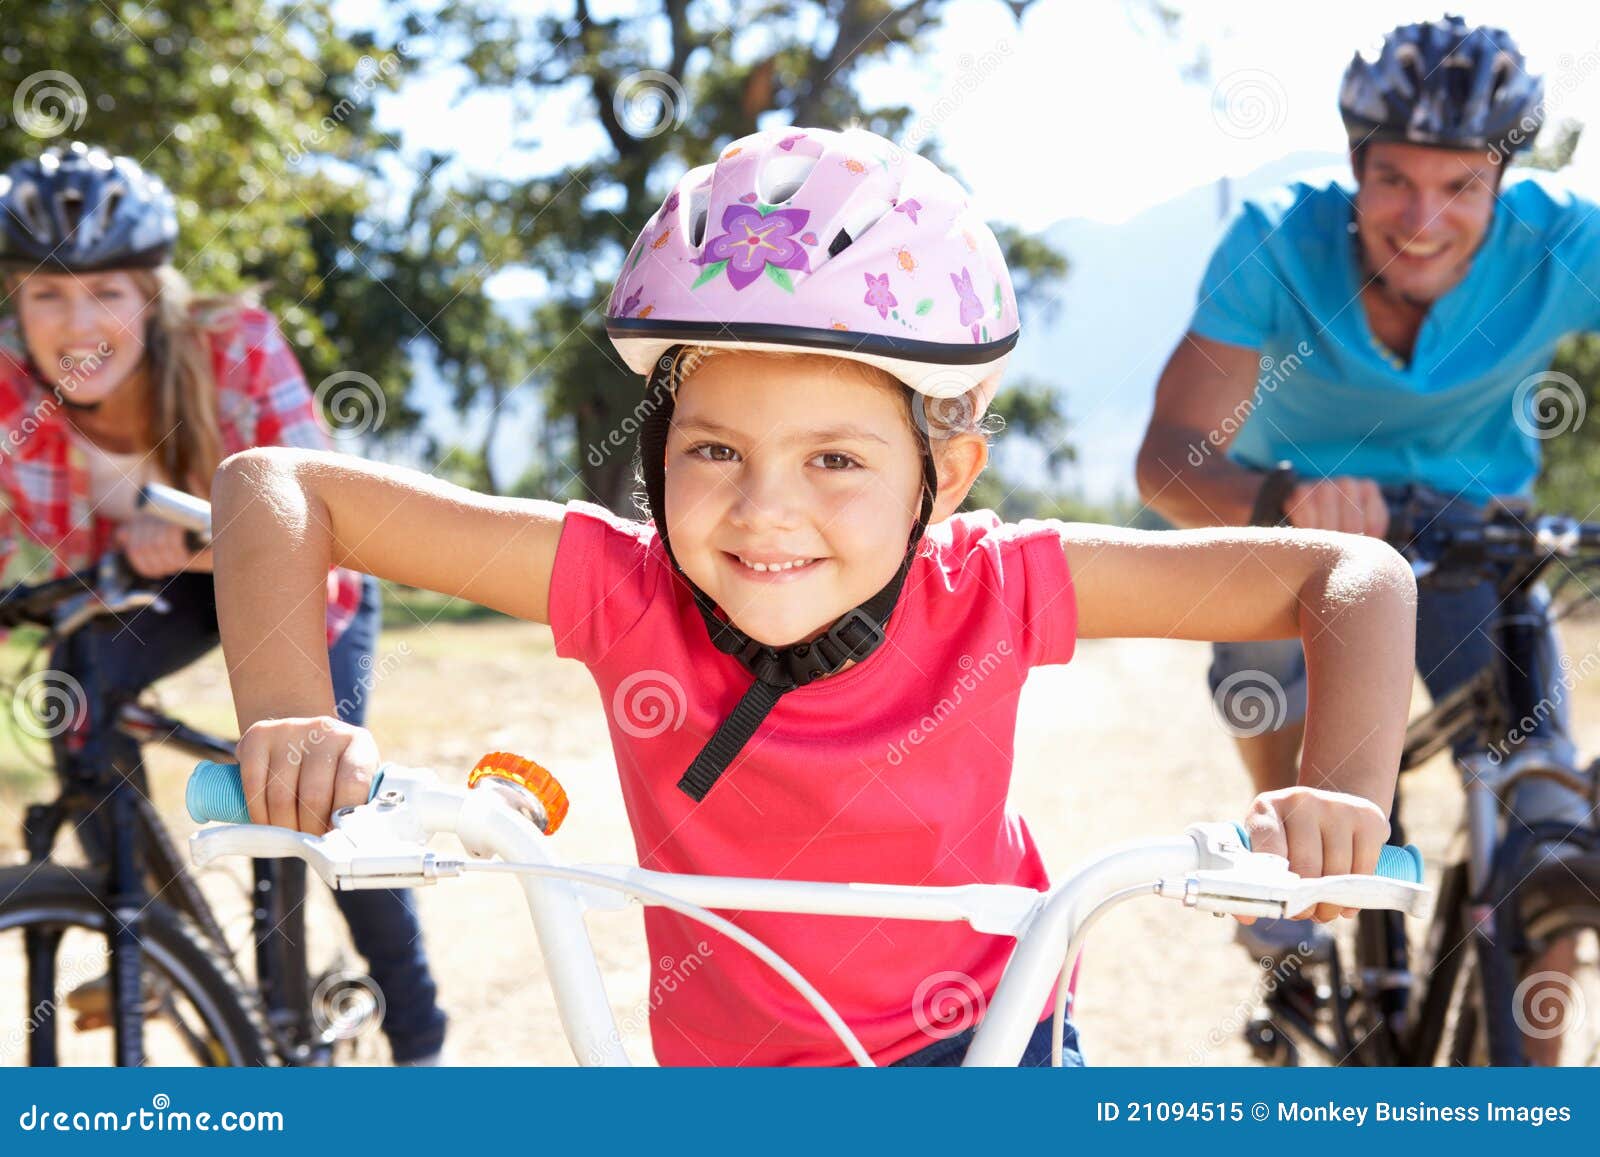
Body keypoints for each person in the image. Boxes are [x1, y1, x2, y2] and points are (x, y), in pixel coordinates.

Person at [209, 125, 1416, 1066]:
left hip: (984, 1042)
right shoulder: (622, 587)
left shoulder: (994, 586)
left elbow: (1348, 575)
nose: (764, 510)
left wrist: (1341, 794)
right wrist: (289, 713)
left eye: (835, 460)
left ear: (941, 478)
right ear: (655, 450)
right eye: (712, 450)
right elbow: (275, 486)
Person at [1135, 16, 1590, 1055]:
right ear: (1353, 166)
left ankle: (1527, 1107)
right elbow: (1166, 460)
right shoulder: (1275, 241)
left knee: (1547, 820)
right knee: (1266, 647)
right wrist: (1282, 501)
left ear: (1502, 182)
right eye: (1393, 180)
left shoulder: (1562, 241)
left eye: (1461, 185)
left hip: (1474, 528)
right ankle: (1289, 837)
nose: (1423, 218)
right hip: (1294, 520)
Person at [0, 141, 447, 1065]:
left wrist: (212, 541)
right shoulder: (12, 392)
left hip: (302, 575)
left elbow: (331, 521)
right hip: (149, 588)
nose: (75, 321)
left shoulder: (236, 346)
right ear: (18, 303)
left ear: (152, 296)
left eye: (107, 294)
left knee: (325, 788)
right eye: (47, 294)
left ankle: (421, 1039)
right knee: (79, 685)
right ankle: (160, 942)